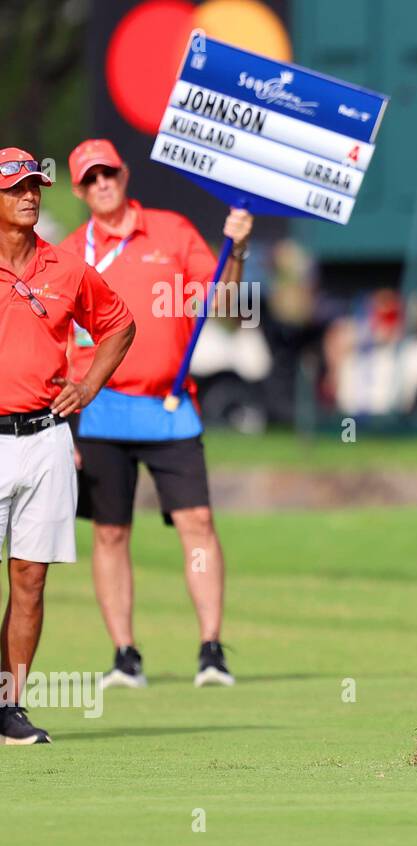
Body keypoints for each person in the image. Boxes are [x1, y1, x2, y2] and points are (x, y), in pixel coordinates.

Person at [60, 139, 254, 688]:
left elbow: (225, 304)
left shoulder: (169, 231)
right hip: (99, 410)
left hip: (169, 404)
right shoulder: (70, 253)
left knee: (198, 522)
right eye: (90, 178)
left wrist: (235, 251)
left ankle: (211, 650)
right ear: (79, 189)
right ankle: (125, 656)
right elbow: (53, 342)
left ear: (124, 175)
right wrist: (60, 425)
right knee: (110, 531)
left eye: (109, 173)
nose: (102, 184)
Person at [0, 147, 135, 743]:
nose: (29, 195)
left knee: (30, 579)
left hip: (47, 438)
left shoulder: (67, 267)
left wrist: (87, 385)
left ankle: (9, 707)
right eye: (15, 188)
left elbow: (119, 324)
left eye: (34, 185)